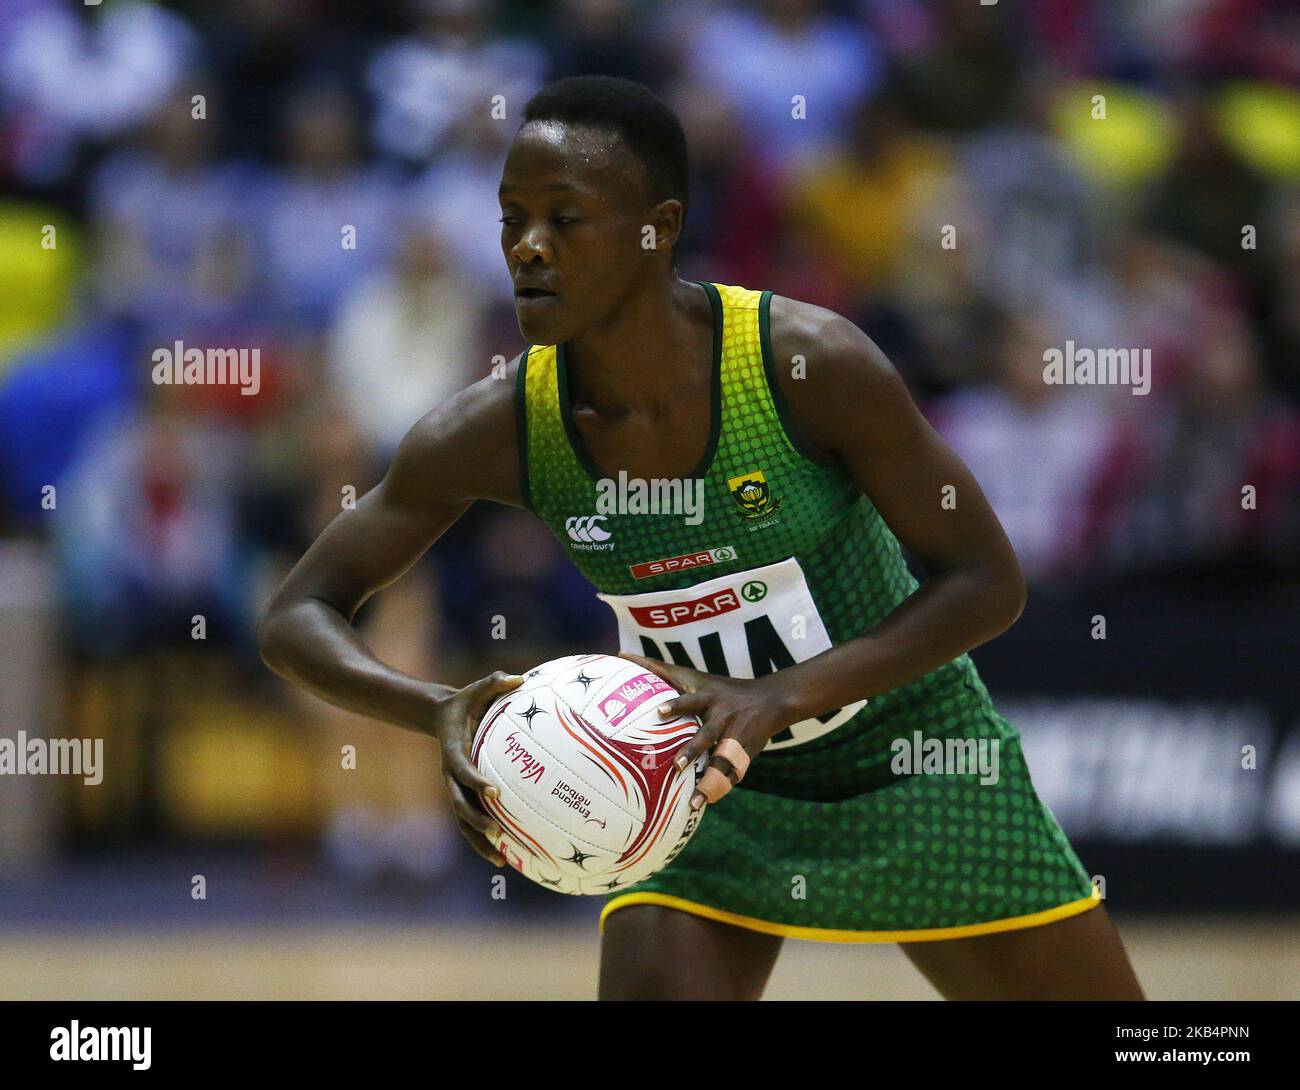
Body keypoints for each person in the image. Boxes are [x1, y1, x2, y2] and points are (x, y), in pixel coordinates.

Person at [258, 76, 1144, 1001]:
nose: (527, 246)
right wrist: (442, 711)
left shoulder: (807, 363)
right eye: (511, 217)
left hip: (912, 757)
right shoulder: (498, 425)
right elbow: (296, 614)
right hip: (690, 786)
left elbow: (987, 583)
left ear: (658, 226)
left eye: (565, 218)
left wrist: (777, 697)